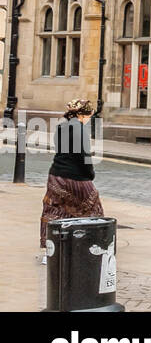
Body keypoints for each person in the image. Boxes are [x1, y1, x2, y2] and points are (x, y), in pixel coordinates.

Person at [40, 99, 104, 259]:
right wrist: (90, 174)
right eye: (89, 115)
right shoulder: (79, 129)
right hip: (74, 177)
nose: (89, 118)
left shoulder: (62, 126)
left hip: (55, 175)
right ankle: (90, 247)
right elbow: (83, 155)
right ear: (83, 114)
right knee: (92, 208)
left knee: (54, 211)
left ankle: (51, 250)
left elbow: (60, 150)